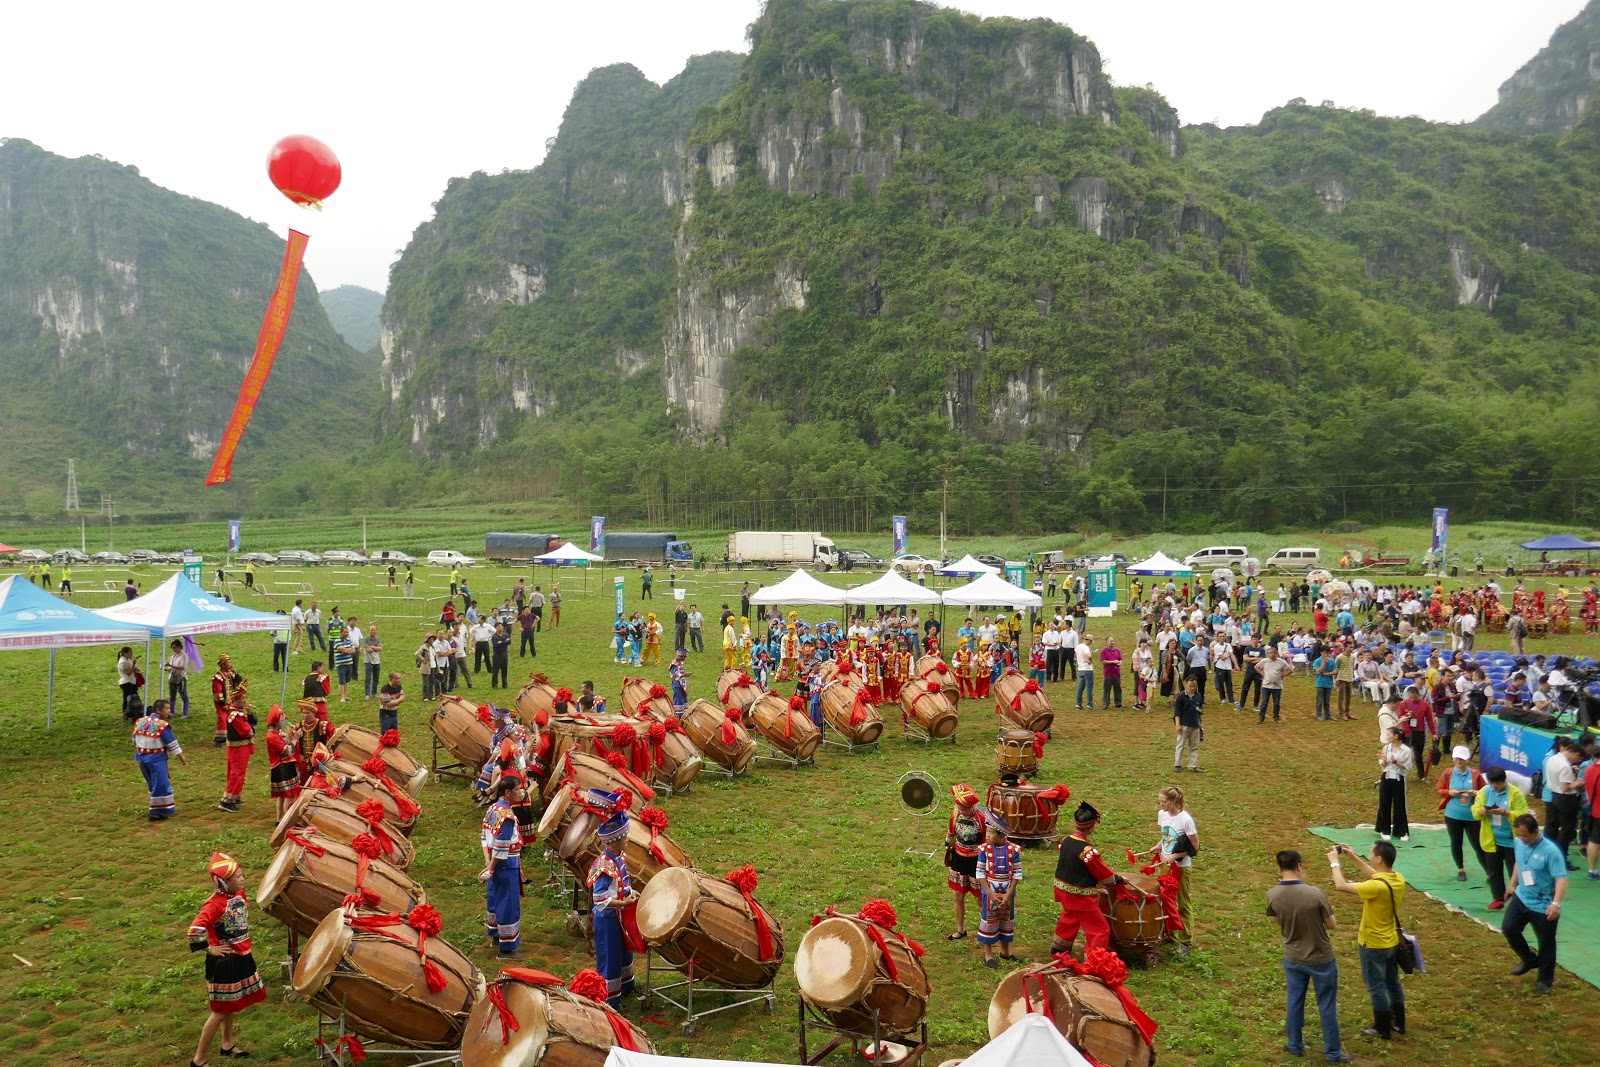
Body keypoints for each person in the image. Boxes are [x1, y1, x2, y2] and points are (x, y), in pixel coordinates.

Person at [1267, 849, 1353, 1063]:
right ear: (1299, 866)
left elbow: (1278, 922)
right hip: (1321, 958)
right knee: (1326, 1004)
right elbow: (1331, 925)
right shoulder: (1315, 893)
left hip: (1293, 957)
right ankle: (1333, 1052)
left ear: (1279, 868)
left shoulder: (1272, 895)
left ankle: (1294, 1044)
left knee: (1295, 1000)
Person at [188, 851, 267, 1066]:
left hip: (240, 956)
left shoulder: (239, 893)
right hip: (224, 963)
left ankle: (227, 1044)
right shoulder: (213, 905)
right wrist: (209, 948)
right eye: (238, 876)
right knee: (220, 1011)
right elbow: (194, 930)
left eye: (242, 874)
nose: (243, 879)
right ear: (223, 882)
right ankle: (199, 1060)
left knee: (230, 1007)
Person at [1326, 839, 1407, 1040]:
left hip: (1373, 944)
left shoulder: (1375, 887)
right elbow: (1376, 877)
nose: (1369, 857)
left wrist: (1334, 862)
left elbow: (1341, 885)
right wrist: (1352, 857)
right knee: (1392, 982)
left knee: (1376, 986)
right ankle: (1399, 1022)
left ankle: (1382, 1028)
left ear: (1379, 859)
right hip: (1391, 942)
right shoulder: (1397, 879)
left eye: (1371, 854)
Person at [1052, 801, 1137, 956]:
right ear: (1091, 827)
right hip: (1080, 896)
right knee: (1099, 929)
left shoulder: (1065, 841)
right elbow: (1104, 875)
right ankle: (1094, 960)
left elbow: (1075, 866)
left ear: (1075, 823)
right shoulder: (1087, 851)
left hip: (1063, 891)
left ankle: (1058, 950)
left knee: (1070, 918)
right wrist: (1118, 879)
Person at [1502, 812, 1567, 995]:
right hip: (1521, 898)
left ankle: (1545, 980)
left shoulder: (1550, 851)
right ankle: (1529, 959)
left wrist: (1556, 904)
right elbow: (1519, 863)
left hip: (1543, 905)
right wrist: (1512, 884)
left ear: (1535, 831)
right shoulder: (1519, 843)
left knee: (1546, 943)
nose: (1521, 839)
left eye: (1525, 835)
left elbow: (1561, 879)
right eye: (1518, 835)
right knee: (1509, 929)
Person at [587, 792, 640, 1006]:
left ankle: (626, 986)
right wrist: (624, 903)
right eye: (625, 837)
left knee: (623, 952)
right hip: (607, 918)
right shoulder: (605, 867)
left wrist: (630, 891)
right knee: (610, 957)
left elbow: (622, 883)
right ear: (616, 841)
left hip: (617, 915)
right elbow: (600, 900)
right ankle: (609, 1000)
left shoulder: (618, 857)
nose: (628, 839)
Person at [479, 776, 525, 958]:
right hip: (506, 865)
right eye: (517, 789)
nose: (520, 792)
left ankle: (496, 936)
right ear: (507, 792)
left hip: (495, 863)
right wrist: (491, 866)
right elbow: (501, 847)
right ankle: (506, 949)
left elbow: (484, 837)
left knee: (495, 898)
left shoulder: (492, 808)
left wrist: (487, 863)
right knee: (508, 903)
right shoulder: (507, 817)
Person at [975, 815, 1022, 968]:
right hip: (990, 893)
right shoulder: (984, 850)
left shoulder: (1013, 850)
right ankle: (988, 955)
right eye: (986, 832)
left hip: (1007, 893)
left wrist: (1009, 894)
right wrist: (989, 893)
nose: (987, 835)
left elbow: (1017, 873)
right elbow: (980, 873)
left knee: (1006, 920)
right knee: (989, 920)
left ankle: (1005, 951)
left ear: (1002, 835)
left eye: (991, 833)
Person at [1436, 745, 1487, 883]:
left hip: (1472, 816)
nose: (1458, 761)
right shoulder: (1447, 773)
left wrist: (1476, 793)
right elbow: (1439, 789)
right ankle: (1461, 869)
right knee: (1456, 842)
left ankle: (1489, 872)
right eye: (1456, 758)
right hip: (1453, 815)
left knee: (1478, 844)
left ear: (1467, 760)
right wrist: (1449, 792)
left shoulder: (1475, 774)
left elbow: (1485, 791)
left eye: (1461, 759)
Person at [132, 699, 187, 821]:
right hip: (156, 759)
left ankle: (158, 809)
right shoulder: (162, 725)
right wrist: (181, 757)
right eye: (166, 709)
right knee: (160, 784)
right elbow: (171, 742)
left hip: (141, 757)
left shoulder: (140, 722)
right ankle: (156, 812)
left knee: (152, 784)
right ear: (158, 710)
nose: (169, 711)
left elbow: (134, 740)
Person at [945, 783, 987, 941]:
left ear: (973, 806)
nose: (963, 812)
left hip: (976, 861)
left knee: (979, 898)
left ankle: (985, 931)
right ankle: (960, 929)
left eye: (966, 809)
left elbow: (986, 838)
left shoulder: (981, 817)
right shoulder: (956, 814)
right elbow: (951, 831)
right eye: (961, 809)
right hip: (959, 858)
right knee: (957, 895)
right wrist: (947, 843)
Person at [218, 695, 257, 813]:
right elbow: (247, 731)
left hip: (239, 748)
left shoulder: (238, 712)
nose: (245, 702)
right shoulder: (236, 715)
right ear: (235, 700)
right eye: (243, 700)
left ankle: (234, 796)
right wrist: (251, 729)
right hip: (239, 749)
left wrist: (250, 714)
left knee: (236, 772)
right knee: (237, 773)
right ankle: (227, 801)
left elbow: (253, 722)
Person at [1375, 727, 1412, 841]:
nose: (1387, 736)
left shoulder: (1406, 750)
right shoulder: (1386, 748)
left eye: (1389, 734)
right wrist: (1384, 760)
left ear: (1396, 736)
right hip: (1386, 777)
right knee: (1384, 802)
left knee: (1400, 804)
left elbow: (1407, 766)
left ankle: (1401, 831)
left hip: (1398, 778)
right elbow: (1383, 763)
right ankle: (1384, 829)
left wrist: (1396, 762)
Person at [265, 707, 300, 820]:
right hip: (282, 768)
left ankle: (279, 819)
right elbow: (285, 751)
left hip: (281, 767)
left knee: (281, 796)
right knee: (288, 796)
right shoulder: (272, 737)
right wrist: (295, 740)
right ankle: (287, 819)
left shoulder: (276, 733)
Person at [1174, 676, 1203, 773]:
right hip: (1184, 725)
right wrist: (1177, 725)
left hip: (1195, 725)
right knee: (1180, 745)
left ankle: (1193, 765)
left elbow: (1199, 711)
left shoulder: (1198, 696)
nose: (1192, 688)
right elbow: (1177, 712)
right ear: (1187, 685)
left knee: (1194, 746)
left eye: (1194, 686)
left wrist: (1200, 723)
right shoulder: (1181, 697)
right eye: (1190, 686)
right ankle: (1177, 764)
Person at [1257, 645, 1292, 723]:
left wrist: (1283, 675)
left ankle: (1276, 717)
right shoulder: (1264, 661)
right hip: (1266, 685)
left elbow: (1290, 670)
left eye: (1271, 653)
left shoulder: (1281, 662)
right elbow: (1257, 667)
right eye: (1268, 653)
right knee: (1264, 701)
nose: (1270, 655)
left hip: (1277, 686)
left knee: (1276, 702)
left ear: (1276, 654)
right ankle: (1261, 717)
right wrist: (1262, 673)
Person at [211, 654, 241, 746]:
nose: (230, 664)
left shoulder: (230, 674)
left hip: (230, 701)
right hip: (222, 703)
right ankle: (219, 740)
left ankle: (230, 736)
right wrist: (222, 704)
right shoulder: (218, 677)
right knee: (223, 719)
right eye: (229, 662)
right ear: (223, 665)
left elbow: (237, 683)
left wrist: (236, 674)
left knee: (231, 718)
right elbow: (217, 692)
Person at [163, 638, 191, 720]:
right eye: (173, 648)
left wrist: (171, 666)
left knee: (183, 694)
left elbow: (183, 667)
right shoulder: (173, 657)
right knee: (172, 695)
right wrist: (165, 668)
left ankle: (185, 713)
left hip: (181, 677)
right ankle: (171, 712)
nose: (174, 649)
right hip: (172, 677)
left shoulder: (184, 656)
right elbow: (171, 668)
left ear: (180, 647)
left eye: (175, 647)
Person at [117, 645, 142, 721]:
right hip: (127, 682)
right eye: (130, 652)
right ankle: (126, 714)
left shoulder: (128, 660)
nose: (131, 654)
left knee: (134, 699)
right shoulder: (122, 662)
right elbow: (128, 673)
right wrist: (133, 664)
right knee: (127, 699)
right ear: (125, 653)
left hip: (131, 682)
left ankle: (134, 713)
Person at [1074, 633, 1096, 709]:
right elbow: (1089, 656)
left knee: (1080, 687)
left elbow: (1078, 656)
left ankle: (1078, 703)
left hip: (1081, 669)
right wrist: (1090, 660)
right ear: (1088, 640)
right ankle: (1090, 704)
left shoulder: (1078, 647)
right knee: (1089, 687)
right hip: (1088, 669)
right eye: (1090, 642)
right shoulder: (1086, 647)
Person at [362, 623, 383, 700]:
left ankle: (374, 692)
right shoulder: (366, 639)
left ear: (376, 631)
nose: (372, 631)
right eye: (371, 630)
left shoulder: (377, 639)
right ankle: (367, 694)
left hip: (377, 661)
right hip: (368, 661)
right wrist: (375, 648)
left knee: (376, 678)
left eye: (374, 630)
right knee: (368, 678)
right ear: (369, 631)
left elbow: (380, 648)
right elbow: (368, 650)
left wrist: (372, 646)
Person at [490, 623, 511, 688]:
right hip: (497, 655)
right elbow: (496, 645)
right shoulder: (494, 636)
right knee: (496, 671)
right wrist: (505, 642)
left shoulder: (505, 634)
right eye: (499, 627)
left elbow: (509, 642)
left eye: (501, 626)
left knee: (504, 670)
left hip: (504, 654)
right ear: (496, 628)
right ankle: (494, 685)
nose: (501, 628)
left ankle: (505, 684)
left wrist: (501, 642)